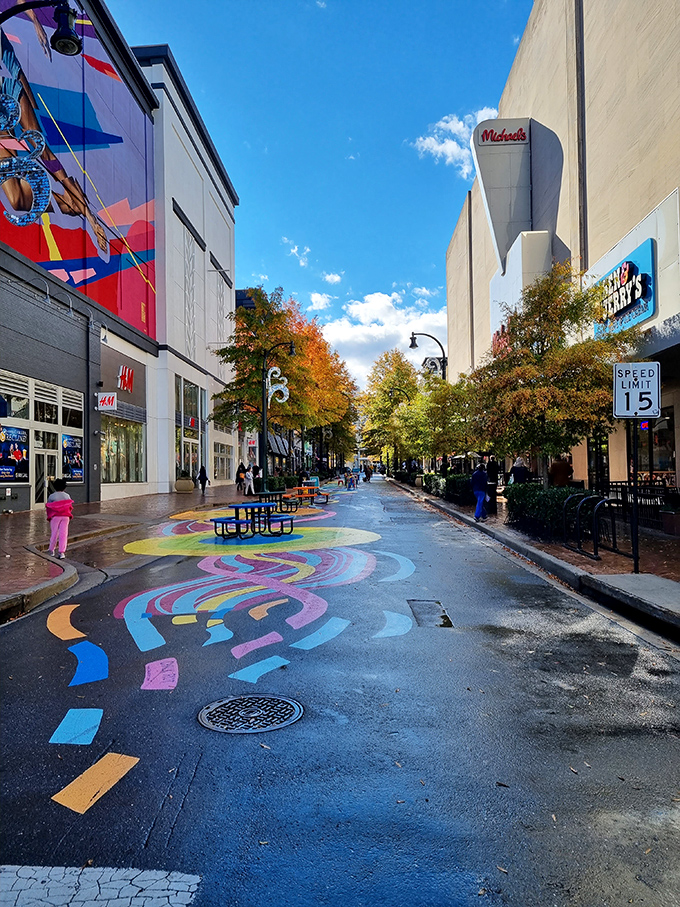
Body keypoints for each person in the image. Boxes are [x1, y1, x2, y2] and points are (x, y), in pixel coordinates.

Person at [46, 478, 73, 559]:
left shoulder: (52, 496)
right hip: (65, 516)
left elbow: (48, 507)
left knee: (54, 533)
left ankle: (51, 550)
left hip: (55, 517)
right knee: (63, 534)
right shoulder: (67, 496)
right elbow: (70, 507)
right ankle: (62, 552)